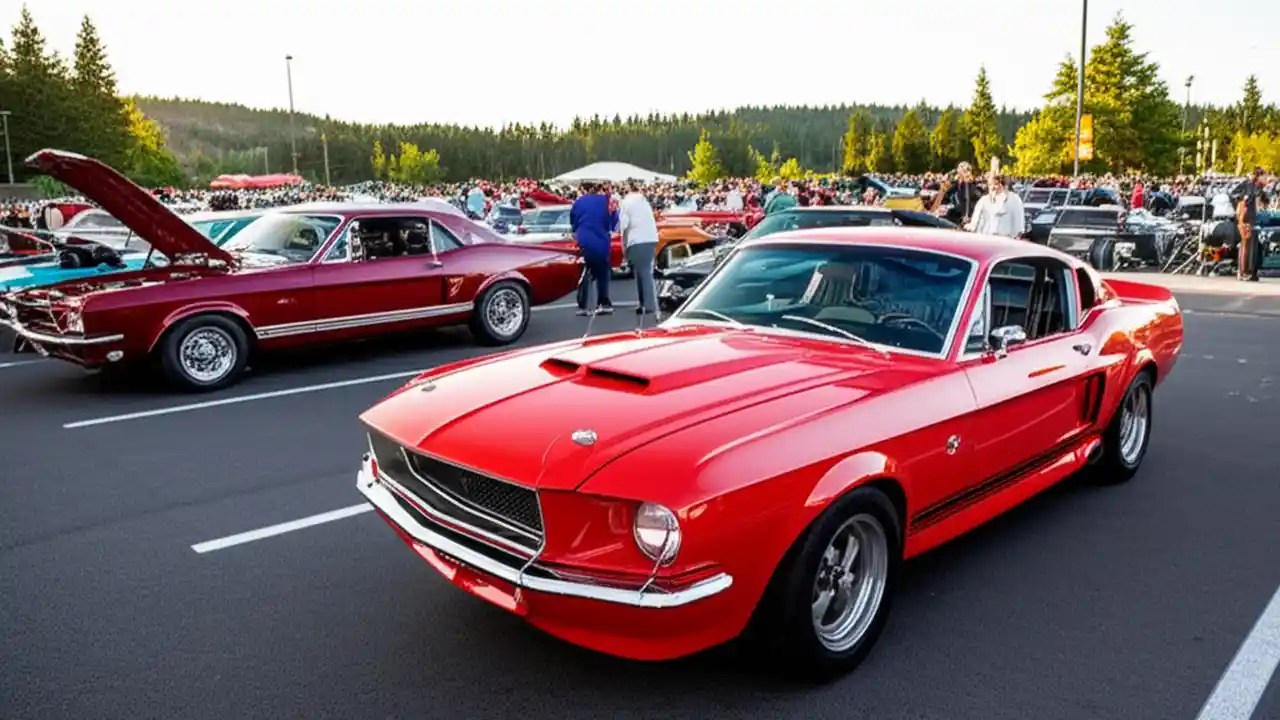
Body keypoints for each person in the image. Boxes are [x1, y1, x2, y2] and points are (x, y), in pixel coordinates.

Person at [570, 181, 615, 315]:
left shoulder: (579, 202)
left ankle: (583, 305)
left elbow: (573, 221)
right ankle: (603, 302)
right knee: (603, 273)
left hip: (583, 239)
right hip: (601, 240)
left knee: (584, 271)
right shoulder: (606, 201)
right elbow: (611, 221)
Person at [618, 180, 659, 315]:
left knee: (643, 272)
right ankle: (644, 303)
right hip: (650, 238)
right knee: (643, 271)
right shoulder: (643, 201)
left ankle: (648, 305)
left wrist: (623, 244)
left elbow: (624, 225)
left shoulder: (626, 202)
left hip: (637, 240)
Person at [966, 173, 1025, 238]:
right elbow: (975, 220)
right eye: (990, 185)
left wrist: (1015, 237)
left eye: (996, 184)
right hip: (986, 239)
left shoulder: (1014, 200)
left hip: (1006, 239)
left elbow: (1019, 226)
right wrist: (971, 226)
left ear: (1003, 185)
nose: (992, 187)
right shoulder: (983, 201)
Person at [1237, 167, 1266, 282]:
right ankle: (1247, 272)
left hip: (1244, 218)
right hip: (1249, 219)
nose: (1266, 179)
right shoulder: (1256, 187)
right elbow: (1257, 206)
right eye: (1264, 177)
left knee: (1247, 246)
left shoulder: (1249, 185)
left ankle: (1245, 272)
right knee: (1249, 246)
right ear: (1259, 177)